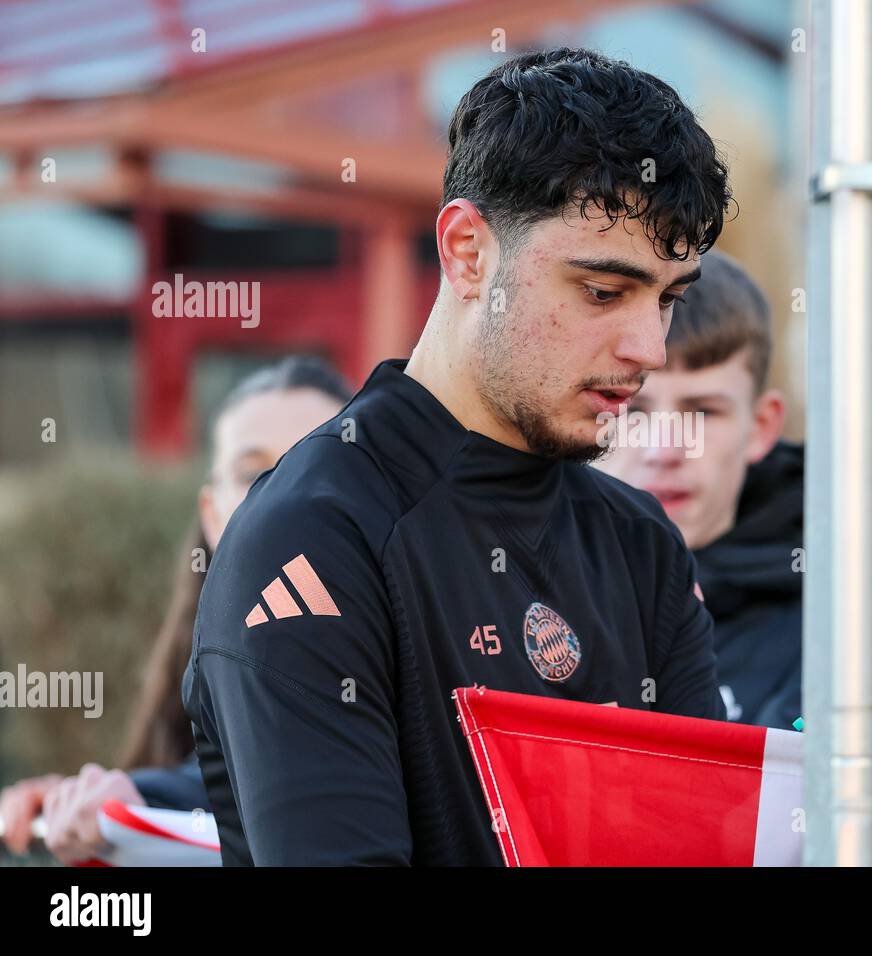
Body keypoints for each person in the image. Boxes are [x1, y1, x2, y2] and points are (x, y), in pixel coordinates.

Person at [183, 47, 734, 866]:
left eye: (669, 298)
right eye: (603, 292)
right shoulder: (311, 541)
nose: (650, 345)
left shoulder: (639, 544)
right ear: (469, 252)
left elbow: (703, 850)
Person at [0, 356, 351, 864]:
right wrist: (88, 807)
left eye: (311, 466)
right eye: (253, 473)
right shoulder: (197, 697)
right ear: (210, 514)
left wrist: (148, 799)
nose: (280, 501)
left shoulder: (417, 650)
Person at [594, 251, 802, 729]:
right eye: (634, 408)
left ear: (761, 426)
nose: (665, 449)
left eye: (703, 412)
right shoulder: (516, 595)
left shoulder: (846, 626)